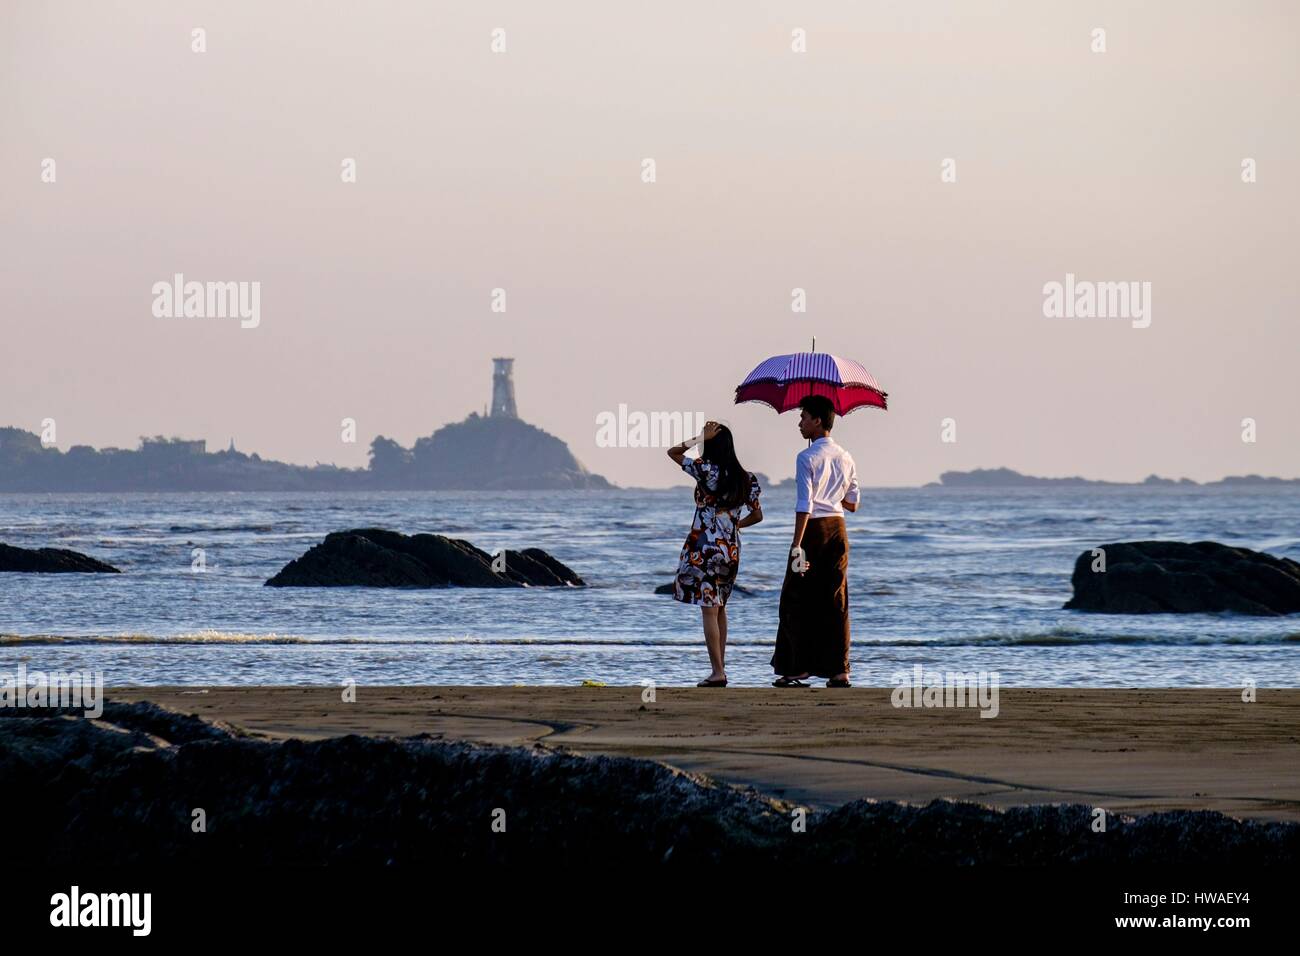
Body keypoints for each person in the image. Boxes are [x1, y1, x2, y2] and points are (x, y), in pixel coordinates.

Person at [771, 395, 859, 688]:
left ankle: (799, 667)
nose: (800, 423)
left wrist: (797, 545)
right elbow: (853, 502)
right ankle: (840, 670)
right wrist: (832, 490)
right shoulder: (846, 457)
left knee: (794, 599)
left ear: (818, 421)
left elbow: (804, 504)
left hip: (813, 531)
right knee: (836, 600)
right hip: (838, 530)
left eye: (804, 417)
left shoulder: (805, 457)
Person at [667, 420, 763, 687]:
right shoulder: (747, 478)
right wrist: (735, 525)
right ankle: (720, 668)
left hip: (705, 547)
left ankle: (717, 672)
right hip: (731, 549)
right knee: (720, 608)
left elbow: (673, 452)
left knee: (709, 610)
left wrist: (698, 437)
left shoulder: (706, 470)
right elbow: (757, 515)